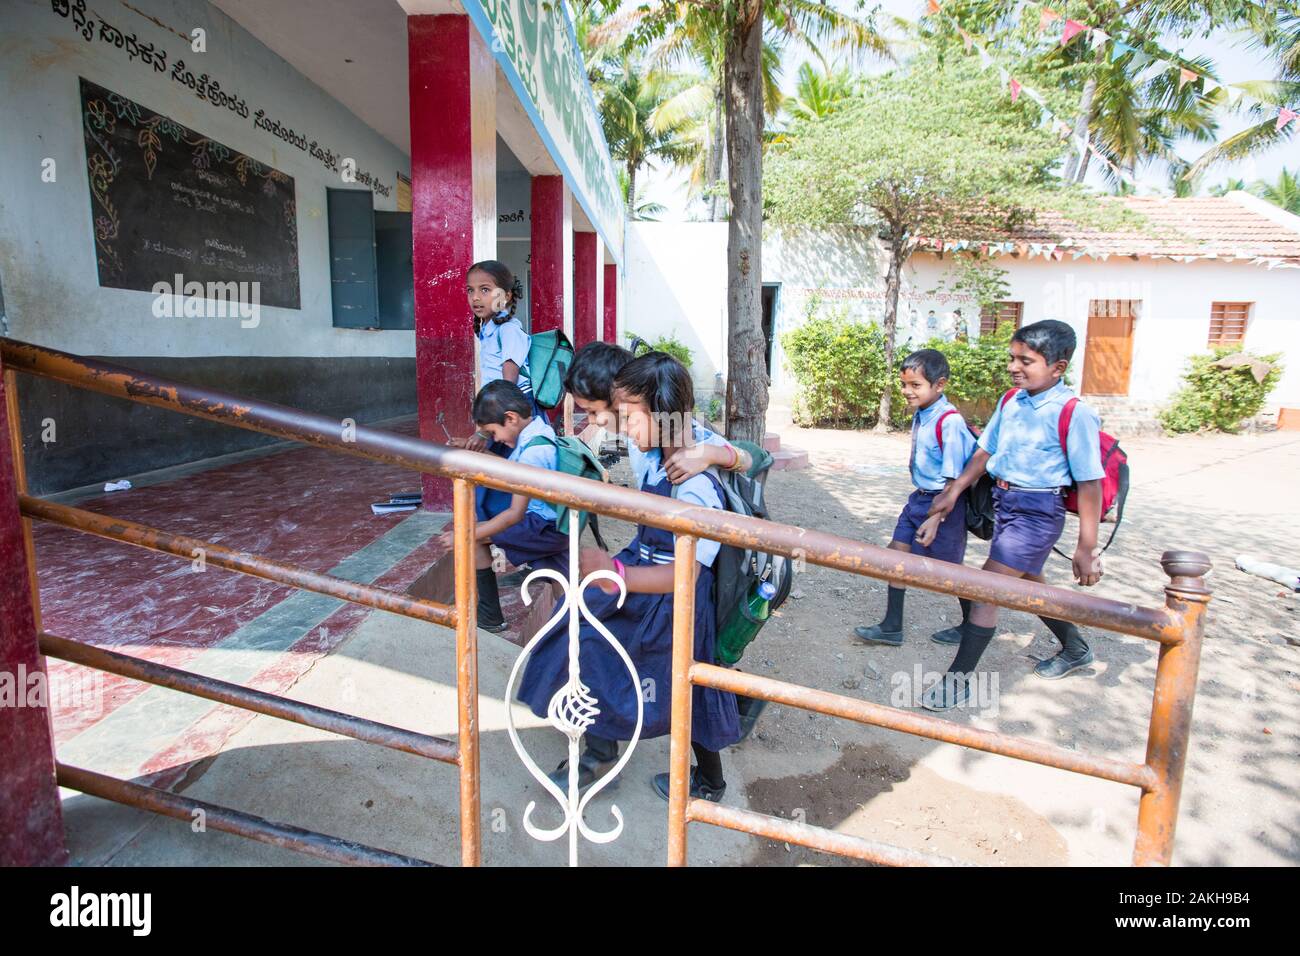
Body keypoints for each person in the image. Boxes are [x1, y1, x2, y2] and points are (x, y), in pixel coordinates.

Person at [517, 353, 741, 802]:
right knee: (587, 637)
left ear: (664, 414)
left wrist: (615, 572)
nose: (618, 425)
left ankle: (636, 765)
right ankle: (602, 752)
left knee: (662, 678)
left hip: (666, 595)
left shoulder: (695, 483)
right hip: (643, 572)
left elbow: (685, 576)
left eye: (627, 417)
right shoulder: (661, 452)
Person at [921, 320, 1105, 710]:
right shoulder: (1011, 401)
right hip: (1005, 507)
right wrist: (953, 491)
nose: (1014, 367)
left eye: (1027, 360)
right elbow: (985, 451)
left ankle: (957, 680)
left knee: (987, 590)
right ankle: (1075, 647)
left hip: (1038, 513)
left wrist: (1087, 547)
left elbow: (1090, 483)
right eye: (1012, 358)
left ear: (1058, 367)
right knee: (1028, 591)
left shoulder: (1073, 412)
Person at [854, 349, 975, 647]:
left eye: (915, 385)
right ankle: (892, 626)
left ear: (940, 384)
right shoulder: (924, 413)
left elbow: (952, 480)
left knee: (949, 574)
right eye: (904, 385)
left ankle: (974, 623)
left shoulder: (950, 422)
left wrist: (936, 518)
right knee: (897, 554)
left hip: (943, 504)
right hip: (919, 499)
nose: (907, 391)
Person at [439, 381, 568, 632]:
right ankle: (569, 628)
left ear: (510, 418)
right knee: (560, 577)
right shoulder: (538, 431)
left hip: (541, 526)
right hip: (557, 523)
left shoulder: (533, 452)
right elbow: (515, 471)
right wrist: (477, 455)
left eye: (493, 432)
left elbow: (514, 514)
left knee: (475, 538)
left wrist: (465, 533)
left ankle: (489, 617)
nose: (494, 439)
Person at [564, 341, 752, 483]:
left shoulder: (678, 430)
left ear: (617, 398)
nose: (591, 421)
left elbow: (747, 461)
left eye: (594, 412)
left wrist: (711, 453)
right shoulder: (639, 434)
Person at [461, 260, 532, 451]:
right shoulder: (488, 330)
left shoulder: (508, 330)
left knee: (511, 469)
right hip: (499, 407)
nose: (475, 297)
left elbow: (509, 383)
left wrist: (486, 429)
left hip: (512, 410)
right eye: (470, 290)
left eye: (484, 290)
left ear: (506, 296)